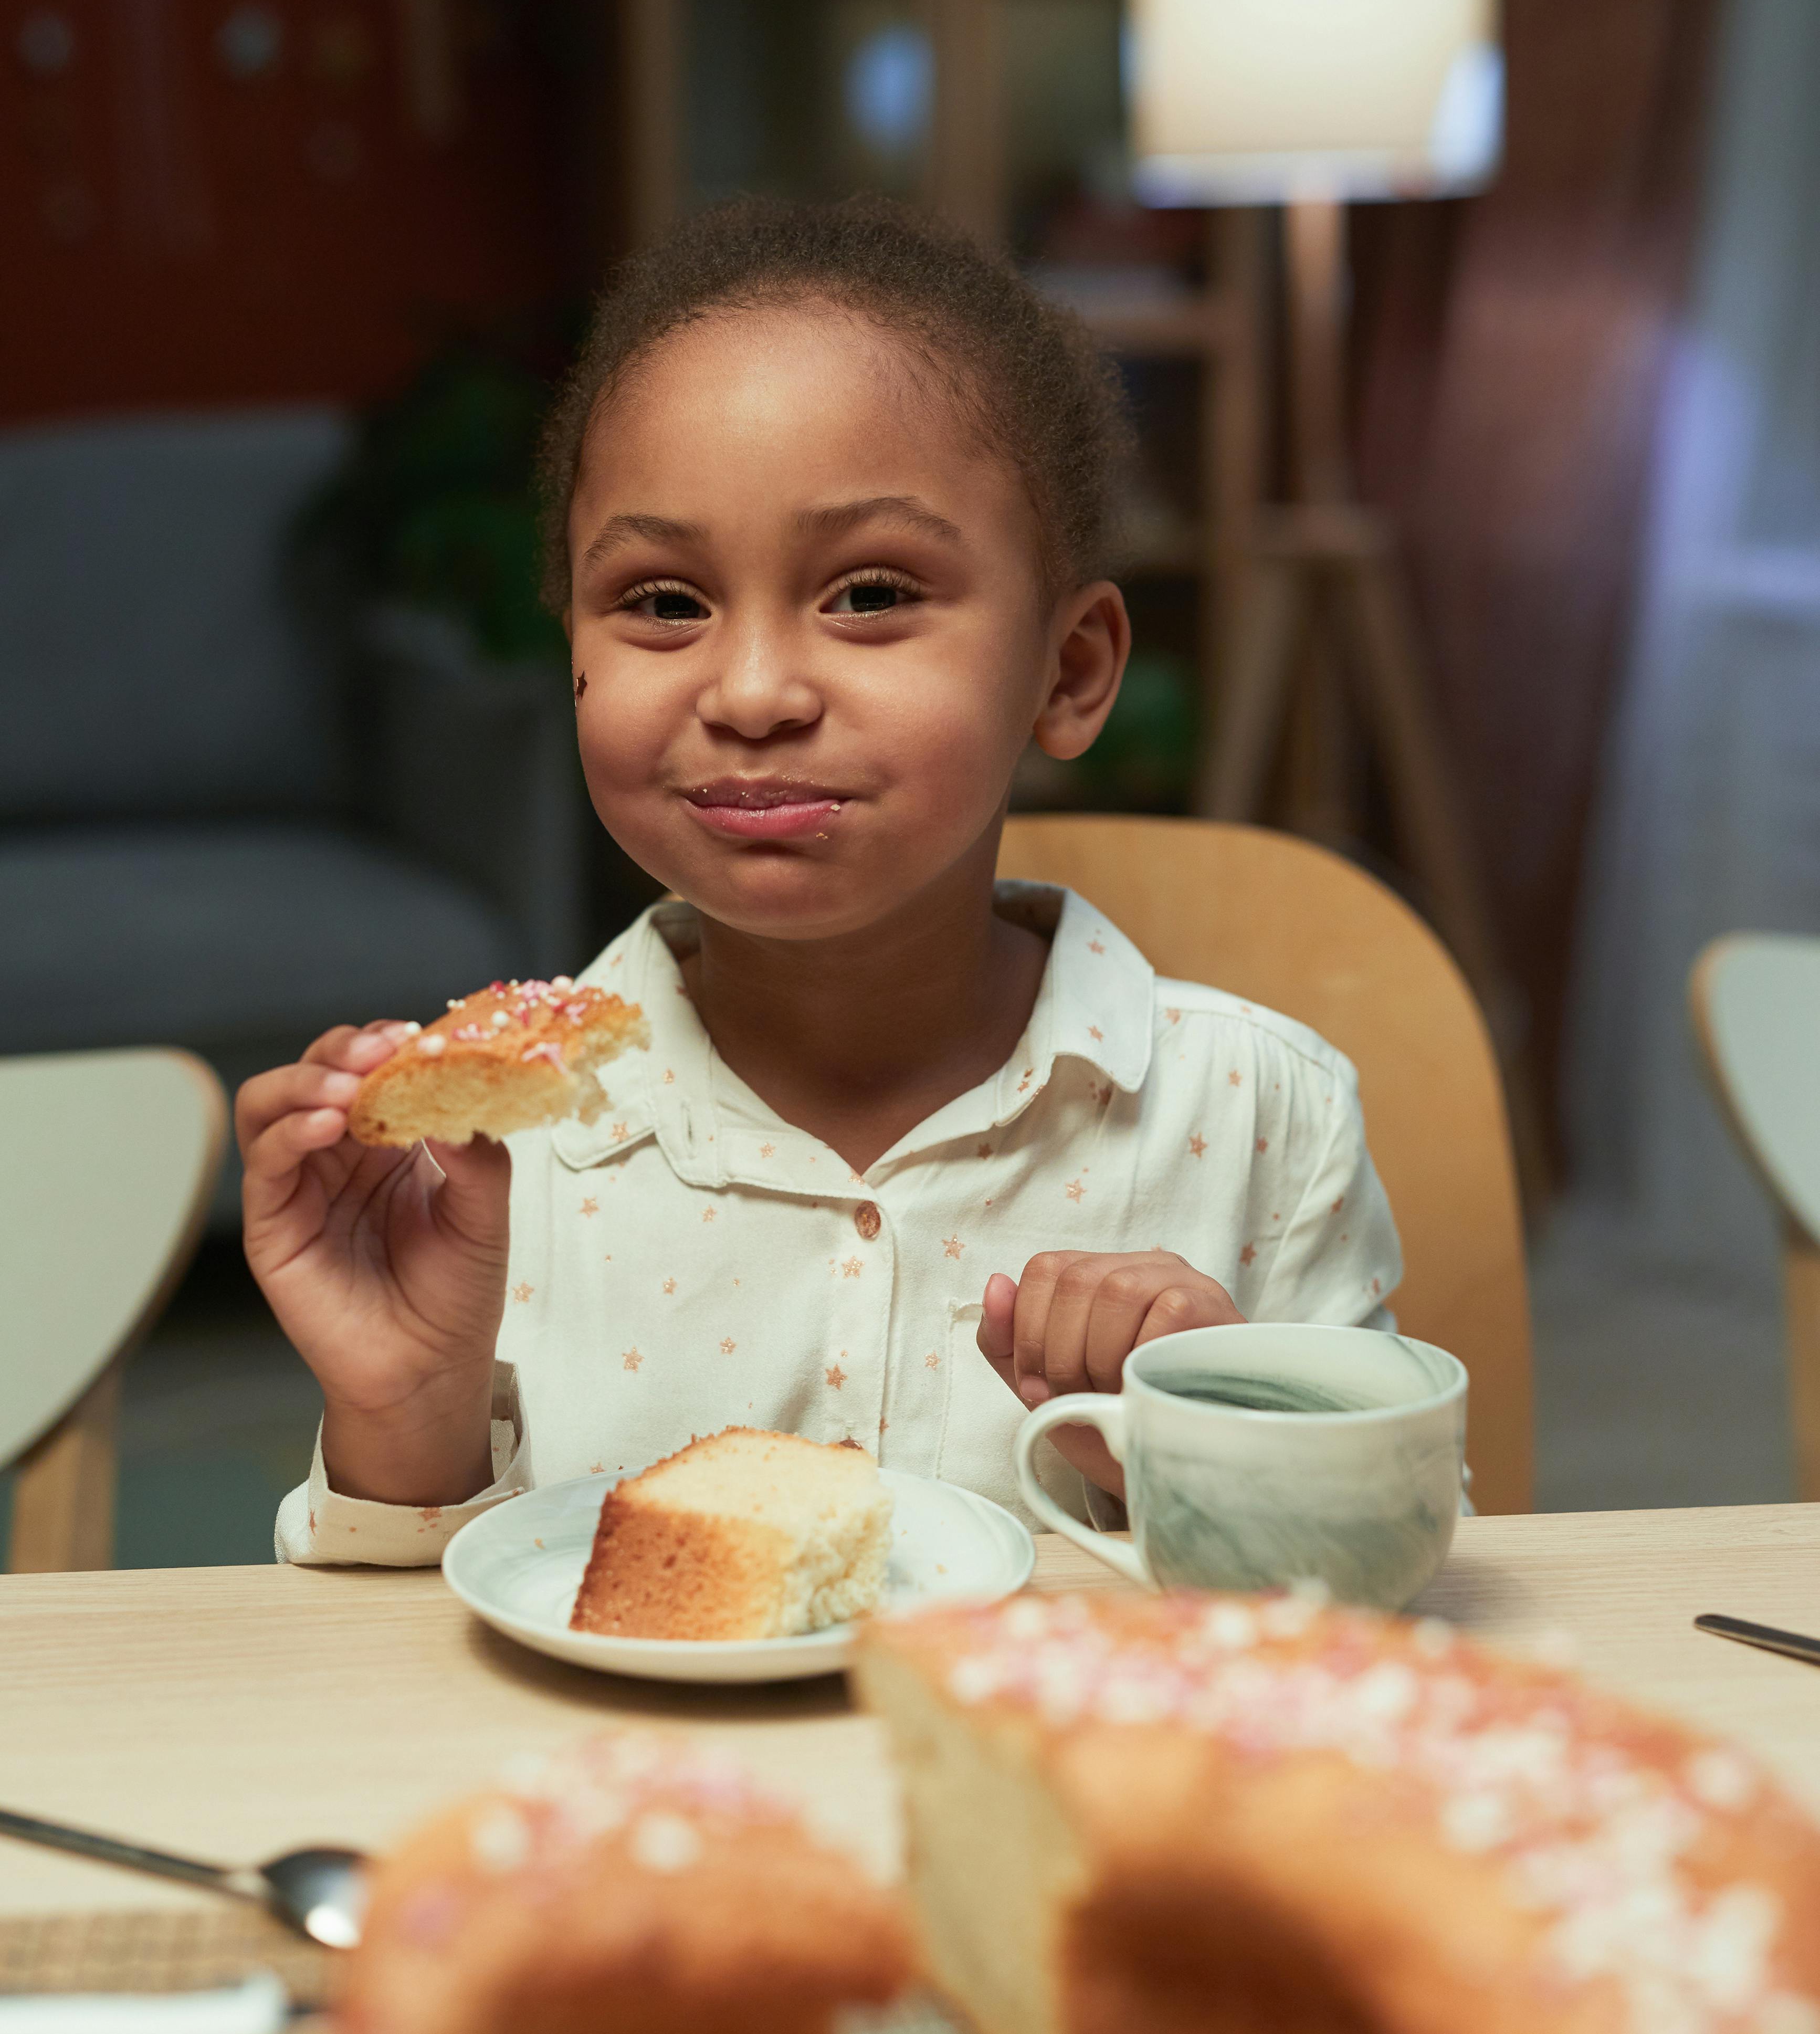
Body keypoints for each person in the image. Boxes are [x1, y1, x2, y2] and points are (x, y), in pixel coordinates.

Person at [240, 197, 1398, 1565]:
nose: (752, 692)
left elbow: (1371, 1597)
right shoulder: (483, 1157)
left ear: (1069, 670)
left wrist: (1206, 1435)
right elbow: (404, 1679)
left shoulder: (1258, 1118)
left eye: (867, 594)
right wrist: (404, 1405)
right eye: (665, 602)